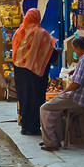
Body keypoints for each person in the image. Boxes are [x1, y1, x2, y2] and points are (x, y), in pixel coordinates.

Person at [39, 35, 84, 151]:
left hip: (79, 99)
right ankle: (55, 139)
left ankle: (51, 142)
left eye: (74, 49)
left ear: (79, 48)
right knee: (56, 108)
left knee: (45, 108)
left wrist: (63, 92)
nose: (75, 52)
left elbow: (76, 84)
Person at [11, 8, 56, 136]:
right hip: (36, 74)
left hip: (20, 72)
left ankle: (25, 126)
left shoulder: (19, 32)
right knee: (36, 98)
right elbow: (50, 51)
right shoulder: (41, 33)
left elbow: (15, 51)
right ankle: (34, 127)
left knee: (24, 98)